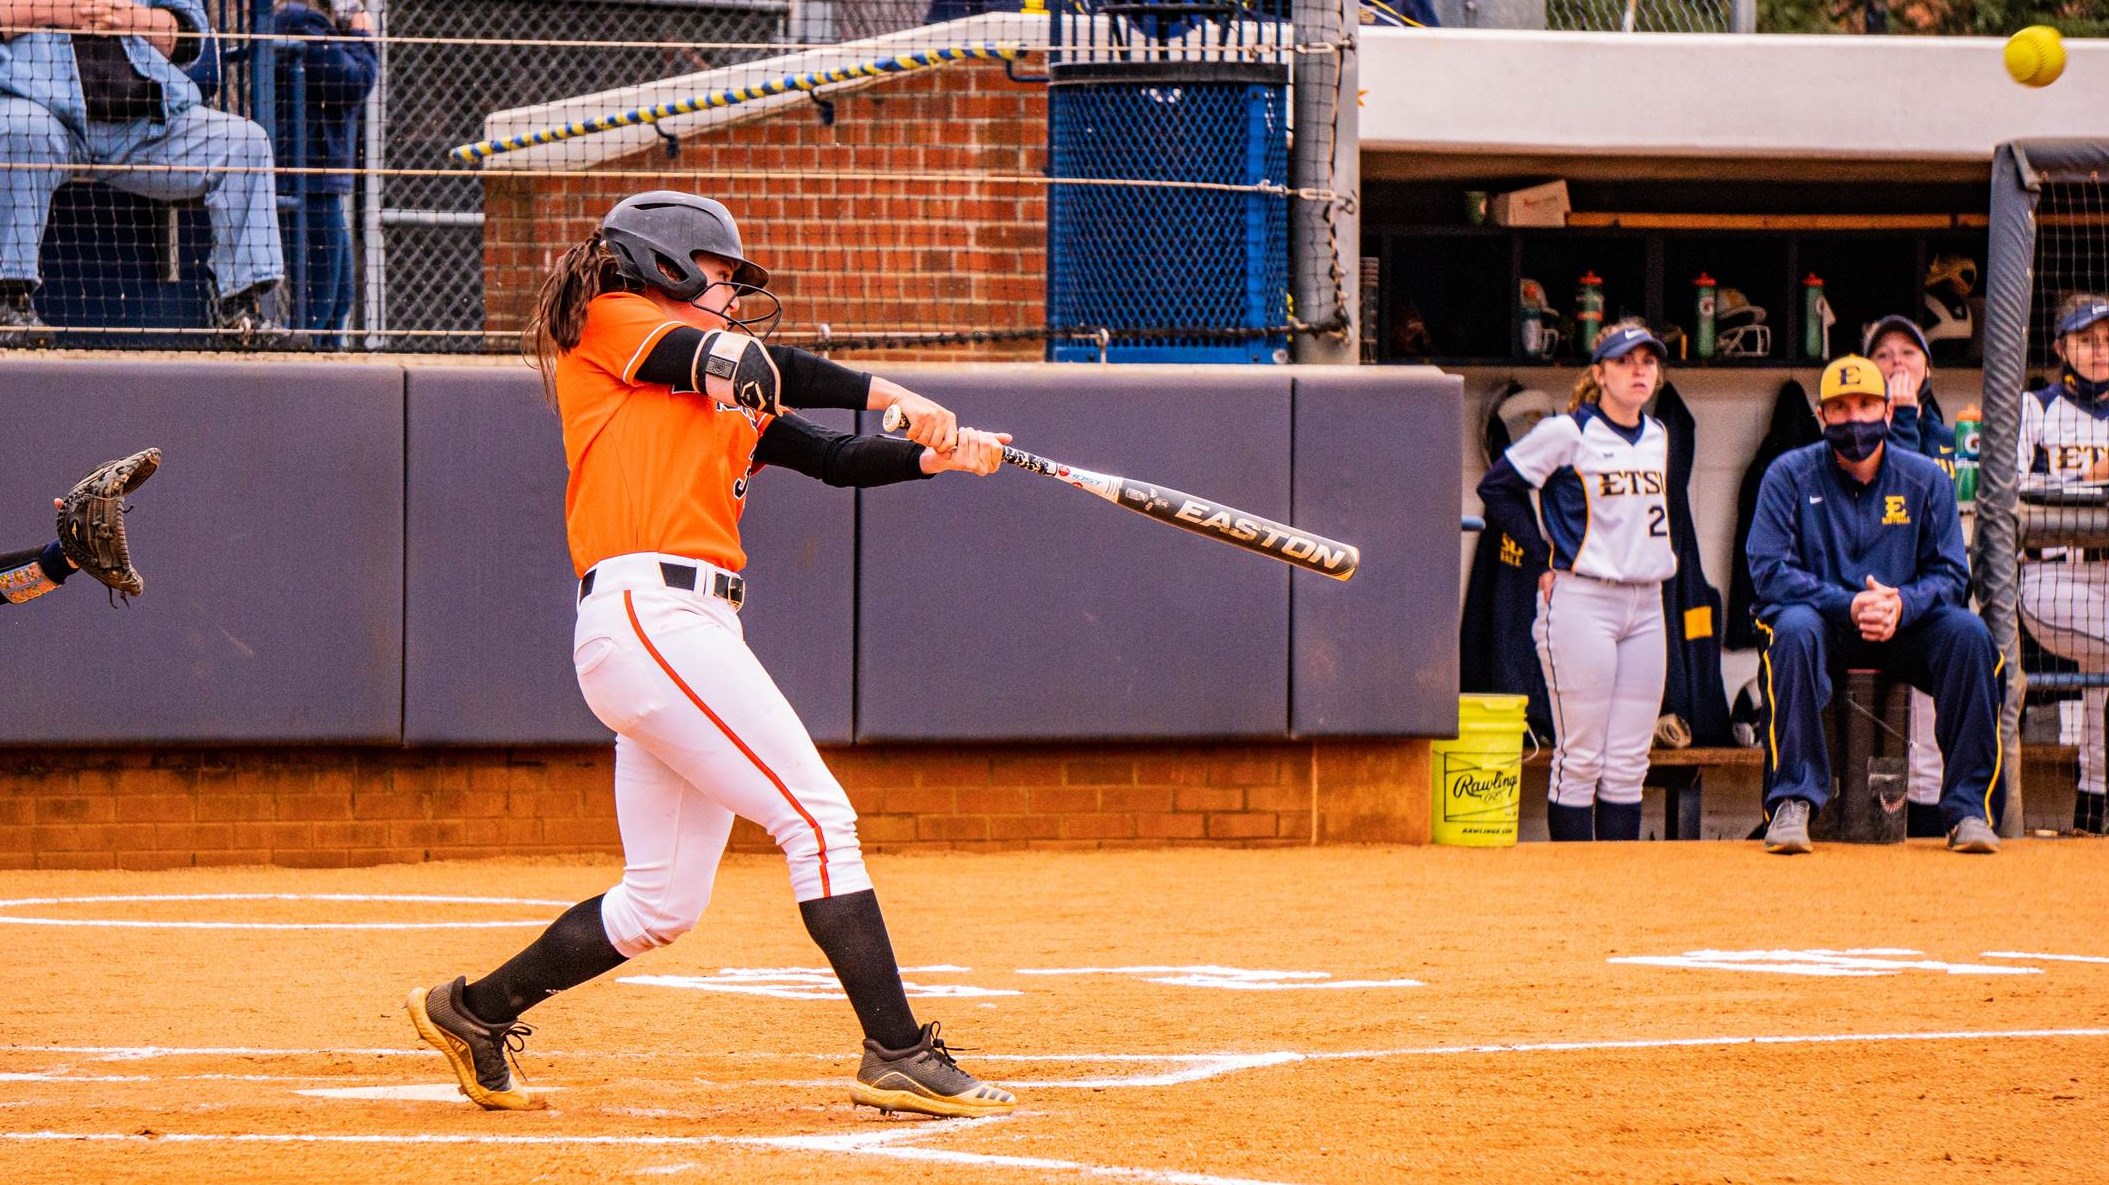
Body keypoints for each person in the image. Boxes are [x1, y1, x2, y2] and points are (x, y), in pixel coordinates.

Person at [404, 191, 1018, 1120]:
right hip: (651, 614)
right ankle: (895, 1050)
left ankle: (476, 1012)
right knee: (818, 821)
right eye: (724, 278)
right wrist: (900, 396)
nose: (733, 297)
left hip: (684, 631)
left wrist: (937, 457)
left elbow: (834, 457)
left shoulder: (723, 391)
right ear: (668, 266)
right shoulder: (613, 323)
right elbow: (752, 363)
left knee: (659, 904)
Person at [1748, 354, 2003, 855]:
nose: (1854, 419)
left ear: (1889, 413)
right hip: (1825, 623)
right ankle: (1792, 802)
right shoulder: (1788, 474)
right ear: (1821, 417)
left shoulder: (1926, 478)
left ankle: (1968, 810)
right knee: (1791, 629)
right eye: (1840, 409)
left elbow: (1952, 574)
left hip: (1902, 626)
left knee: (1970, 636)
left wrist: (1902, 604)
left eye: (1866, 405)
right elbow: (1768, 572)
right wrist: (1848, 605)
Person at [1476, 321, 1677, 841]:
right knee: (1581, 754)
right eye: (1624, 361)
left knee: (1630, 759)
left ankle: (1616, 886)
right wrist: (1543, 552)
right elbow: (1497, 487)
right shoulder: (1568, 431)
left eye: (1648, 361)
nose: (1639, 370)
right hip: (1583, 598)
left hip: (1647, 601)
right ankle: (1574, 882)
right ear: (1599, 373)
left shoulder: (1657, 435)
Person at [0, 0, 289, 346]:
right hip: (42, 110)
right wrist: (57, 11)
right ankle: (9, 304)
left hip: (143, 124)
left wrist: (130, 18)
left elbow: (186, 38)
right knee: (19, 130)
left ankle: (242, 314)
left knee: (246, 143)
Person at [1863, 314, 1960, 838]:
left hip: (1943, 594)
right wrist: (1898, 416)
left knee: (1940, 743)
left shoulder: (1952, 437)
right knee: (1912, 748)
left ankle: (1938, 831)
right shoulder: (1856, 438)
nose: (1897, 362)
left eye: (1908, 353)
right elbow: (1895, 484)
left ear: (1928, 366)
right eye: (1884, 355)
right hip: (1883, 598)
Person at [2017, 294, 2109, 836]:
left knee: (2104, 681)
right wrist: (2086, 480)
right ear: (2061, 347)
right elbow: (2010, 486)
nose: (2099, 350)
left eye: (2106, 340)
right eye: (2086, 340)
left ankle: (2093, 810)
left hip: (2107, 576)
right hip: (2052, 582)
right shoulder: (2037, 407)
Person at [269, 0, 375, 348]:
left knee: (339, 298)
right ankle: (293, 382)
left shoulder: (317, 25)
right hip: (307, 181)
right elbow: (351, 81)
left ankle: (328, 391)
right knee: (315, 308)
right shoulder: (297, 19)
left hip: (322, 182)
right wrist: (361, 32)